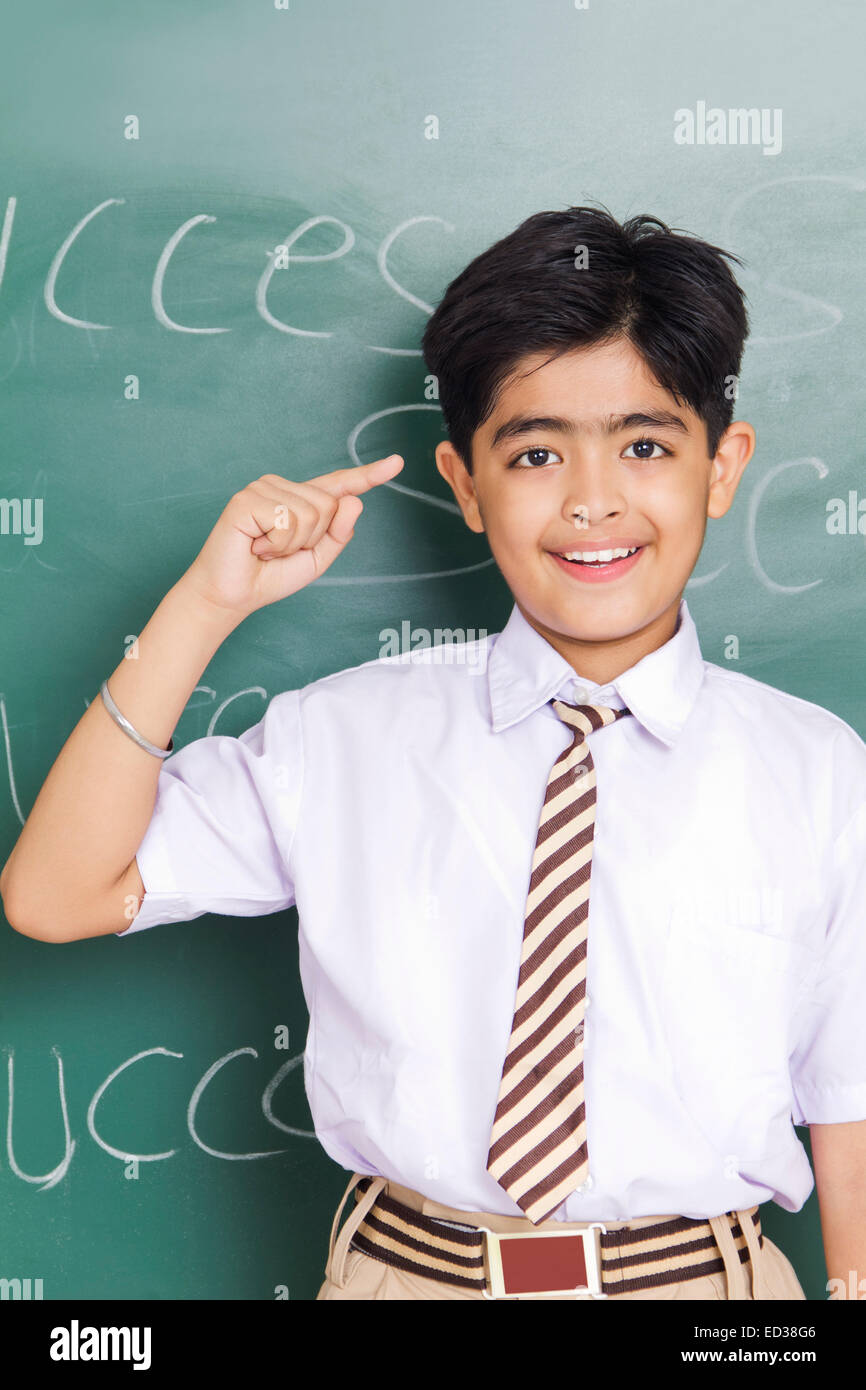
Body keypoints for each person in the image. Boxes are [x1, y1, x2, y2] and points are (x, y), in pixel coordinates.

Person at [3, 206, 865, 1301]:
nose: (591, 499)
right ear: (464, 484)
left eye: (644, 446)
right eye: (536, 452)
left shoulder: (817, 769)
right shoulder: (340, 738)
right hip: (404, 1275)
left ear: (721, 465)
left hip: (705, 1292)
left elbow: (849, 1103)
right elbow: (54, 895)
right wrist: (201, 608)